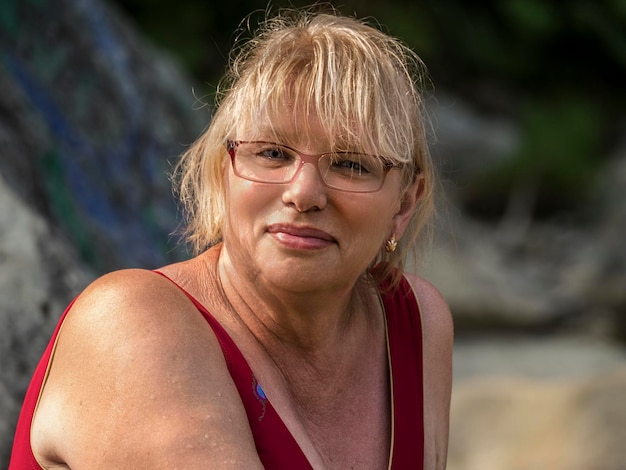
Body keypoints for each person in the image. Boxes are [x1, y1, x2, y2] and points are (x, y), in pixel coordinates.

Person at [10, 7, 453, 469]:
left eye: (351, 164)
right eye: (272, 153)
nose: (303, 194)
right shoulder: (131, 325)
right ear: (225, 172)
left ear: (404, 203)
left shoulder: (417, 322)